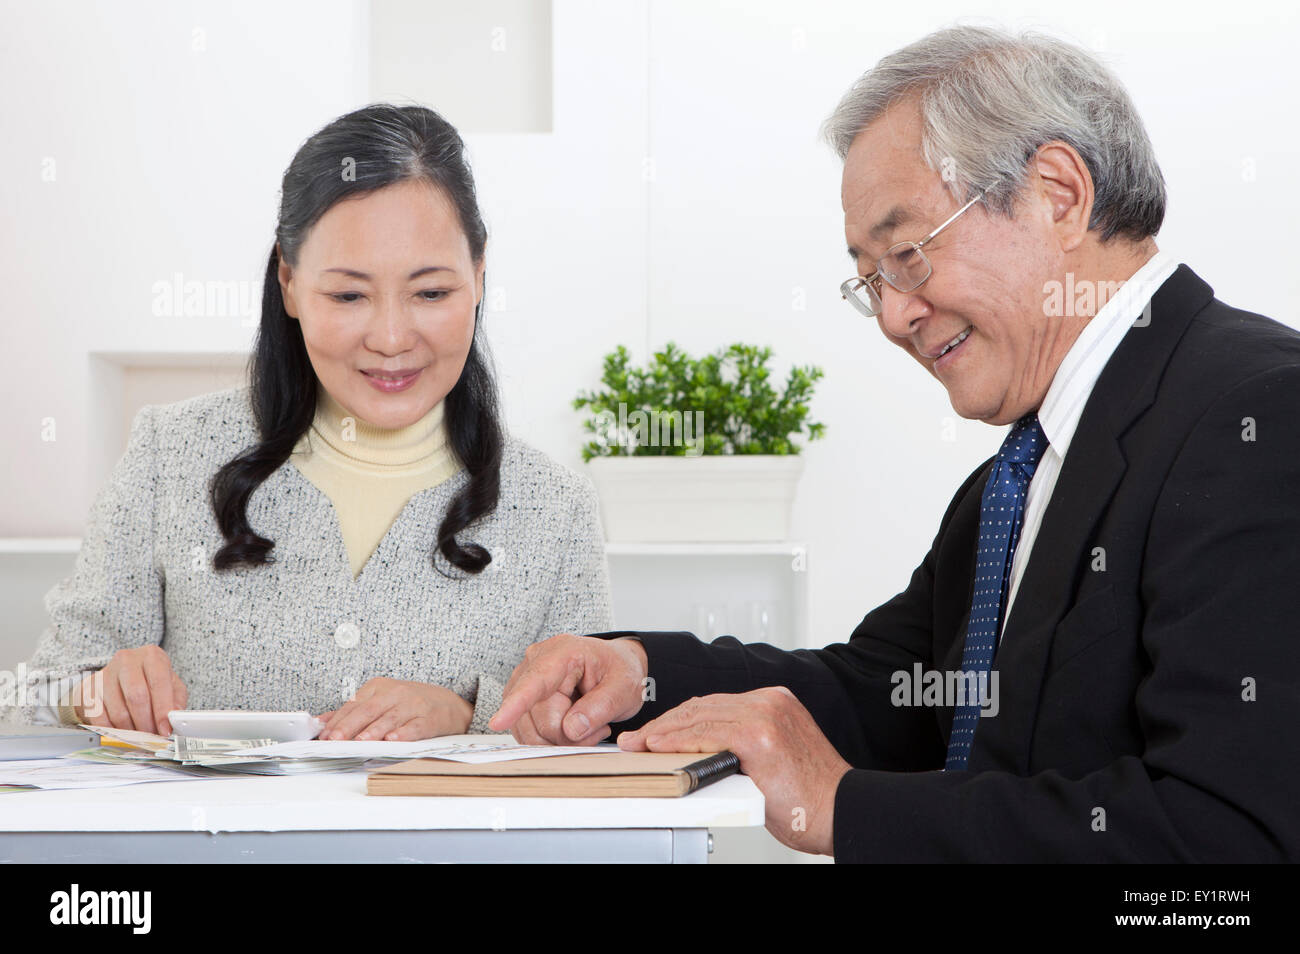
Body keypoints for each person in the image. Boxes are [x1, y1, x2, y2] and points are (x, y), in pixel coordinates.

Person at [490, 26, 1300, 861]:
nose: (892, 317)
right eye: (870, 279)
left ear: (1057, 194)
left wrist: (846, 809)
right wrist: (642, 672)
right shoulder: (1017, 475)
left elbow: (1232, 850)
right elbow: (894, 699)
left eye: (908, 254)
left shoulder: (1261, 415)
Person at [15, 104, 612, 741]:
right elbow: (24, 696)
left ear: (479, 277)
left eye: (431, 293)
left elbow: (592, 732)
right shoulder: (172, 454)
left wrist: (470, 716)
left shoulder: (557, 508)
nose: (389, 337)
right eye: (349, 295)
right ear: (290, 281)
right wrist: (91, 692)